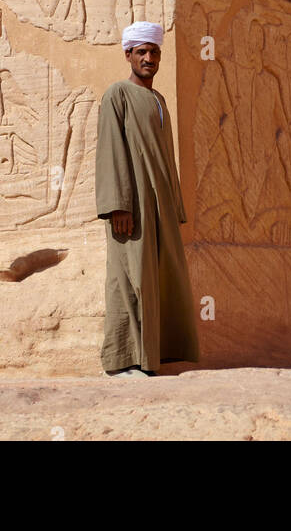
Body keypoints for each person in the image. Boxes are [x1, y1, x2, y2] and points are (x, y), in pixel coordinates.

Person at [95, 22, 200, 376]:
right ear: (128, 55)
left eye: (153, 52)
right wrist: (118, 204)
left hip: (160, 206)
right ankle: (121, 360)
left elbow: (166, 157)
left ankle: (151, 358)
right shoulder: (117, 95)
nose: (148, 58)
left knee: (158, 278)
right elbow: (111, 150)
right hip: (131, 205)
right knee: (128, 276)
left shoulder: (158, 100)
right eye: (141, 52)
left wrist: (175, 207)